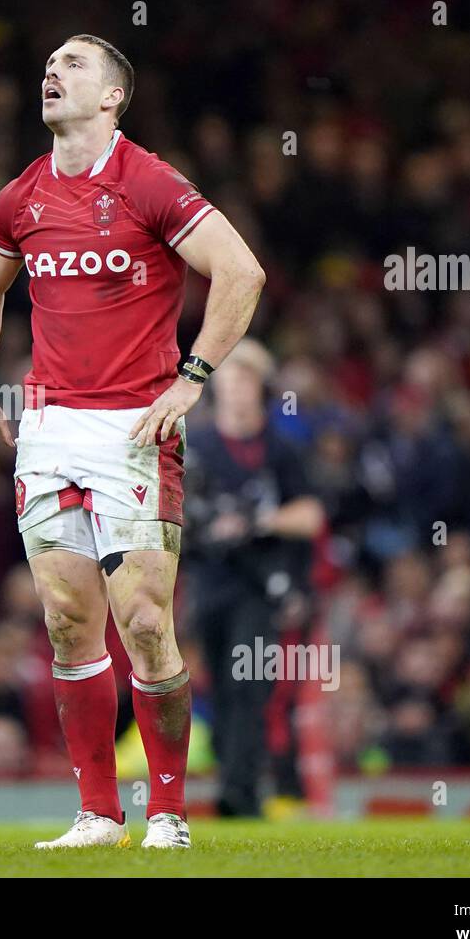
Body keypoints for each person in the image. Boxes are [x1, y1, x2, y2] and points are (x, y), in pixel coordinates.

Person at [0, 34, 266, 848]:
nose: (51, 71)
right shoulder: (21, 197)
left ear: (112, 97)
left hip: (133, 427)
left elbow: (242, 271)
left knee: (147, 622)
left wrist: (194, 375)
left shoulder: (148, 181)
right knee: (65, 618)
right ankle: (99, 811)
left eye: (74, 64)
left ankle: (168, 811)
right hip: (50, 426)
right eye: (48, 62)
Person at [183, 340, 325, 816]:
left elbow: (310, 514)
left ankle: (240, 793)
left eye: (247, 379)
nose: (239, 389)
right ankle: (233, 780)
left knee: (249, 685)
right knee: (220, 686)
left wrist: (257, 522)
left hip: (259, 584)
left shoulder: (280, 449)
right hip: (210, 581)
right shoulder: (197, 444)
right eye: (231, 378)